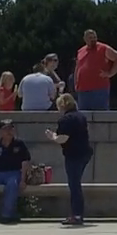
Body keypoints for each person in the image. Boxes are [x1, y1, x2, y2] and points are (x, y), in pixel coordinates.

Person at [46, 93, 92, 227]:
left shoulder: (65, 120)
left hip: (74, 155)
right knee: (75, 183)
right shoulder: (81, 116)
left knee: (74, 185)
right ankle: (77, 214)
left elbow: (63, 138)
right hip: (85, 152)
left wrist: (52, 137)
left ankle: (77, 214)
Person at [73, 30, 117, 112]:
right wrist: (76, 83)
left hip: (99, 88)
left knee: (101, 114)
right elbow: (78, 67)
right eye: (90, 38)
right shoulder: (81, 51)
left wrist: (110, 73)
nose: (93, 39)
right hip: (83, 89)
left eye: (94, 37)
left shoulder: (103, 48)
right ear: (85, 39)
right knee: (84, 115)